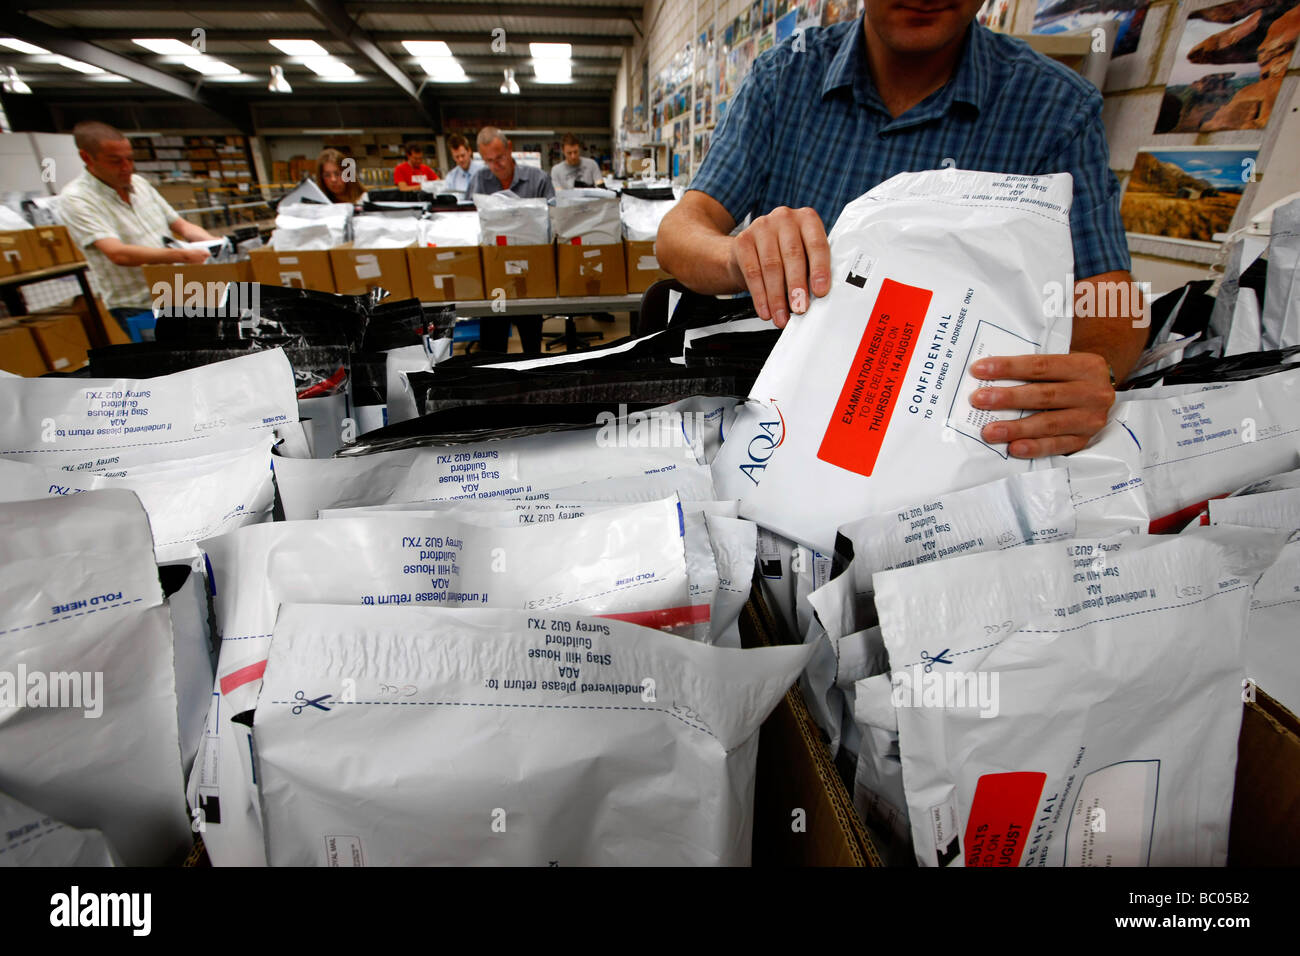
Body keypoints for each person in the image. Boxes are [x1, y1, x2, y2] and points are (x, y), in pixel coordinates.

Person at [657, 2, 1147, 460]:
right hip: (771, 411)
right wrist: (739, 256)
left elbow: (1110, 297)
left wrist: (1095, 368)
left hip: (947, 433)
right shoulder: (784, 76)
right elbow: (680, 231)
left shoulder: (1055, 107)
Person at [58, 120, 220, 319]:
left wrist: (214, 244)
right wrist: (183, 256)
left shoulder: (140, 184)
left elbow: (181, 225)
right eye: (115, 161)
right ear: (87, 157)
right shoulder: (77, 199)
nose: (126, 167)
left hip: (177, 294)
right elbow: (118, 254)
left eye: (130, 159)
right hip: (138, 305)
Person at [469, 127, 555, 354]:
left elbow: (554, 224)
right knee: (492, 347)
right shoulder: (480, 180)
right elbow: (473, 223)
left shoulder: (538, 179)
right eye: (489, 161)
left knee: (531, 346)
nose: (496, 165)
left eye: (500, 158)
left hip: (531, 273)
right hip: (495, 274)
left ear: (509, 148)